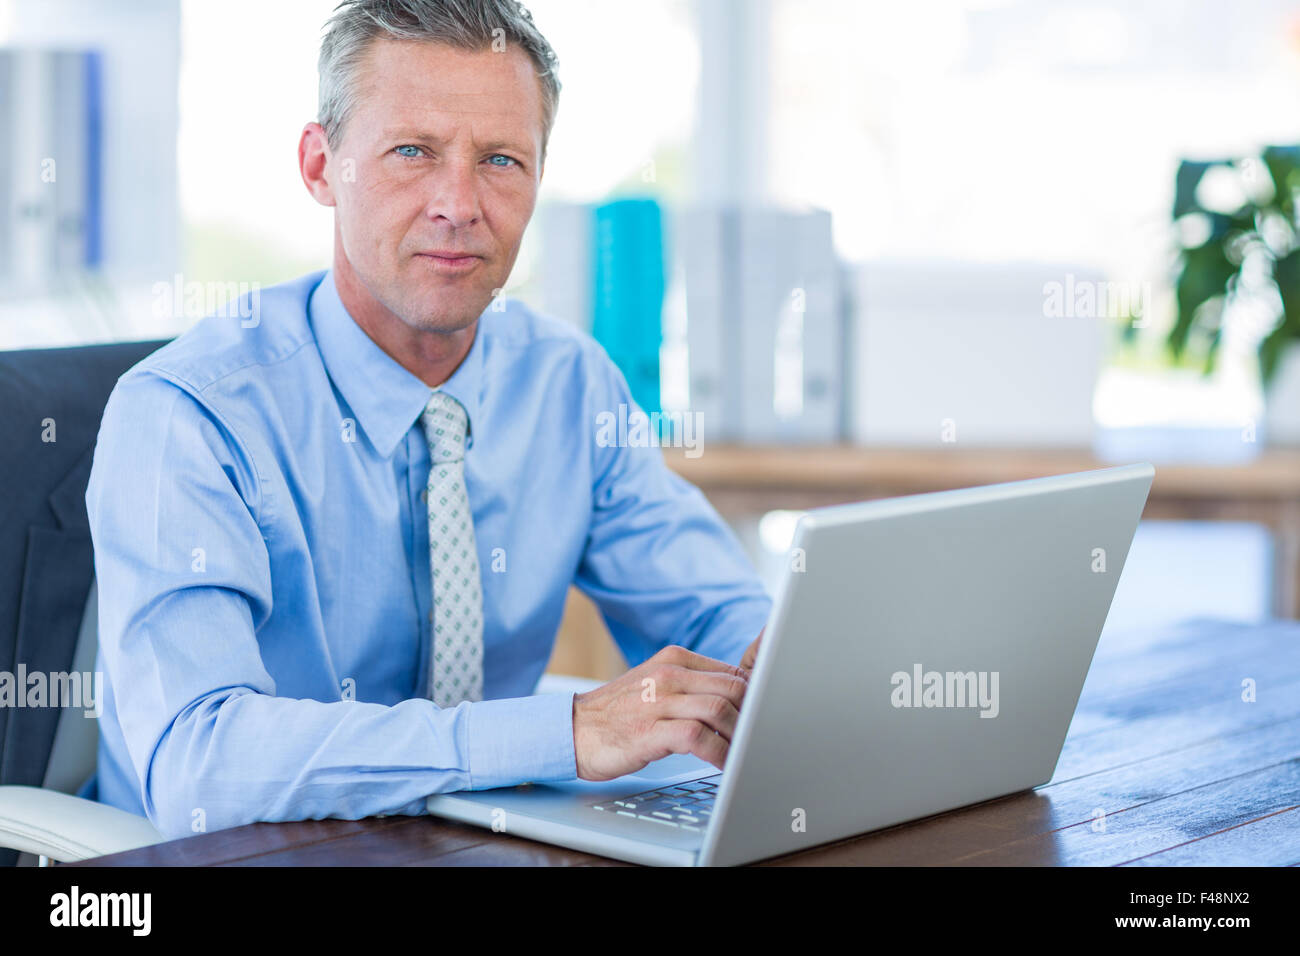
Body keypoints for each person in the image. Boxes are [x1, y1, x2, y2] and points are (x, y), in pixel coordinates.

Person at [85, 0, 770, 839]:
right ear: (319, 166)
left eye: (502, 160)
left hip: (468, 845)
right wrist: (564, 733)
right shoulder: (188, 416)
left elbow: (716, 617)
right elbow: (201, 762)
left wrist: (778, 664)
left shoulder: (568, 386)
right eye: (412, 151)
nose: (460, 203)